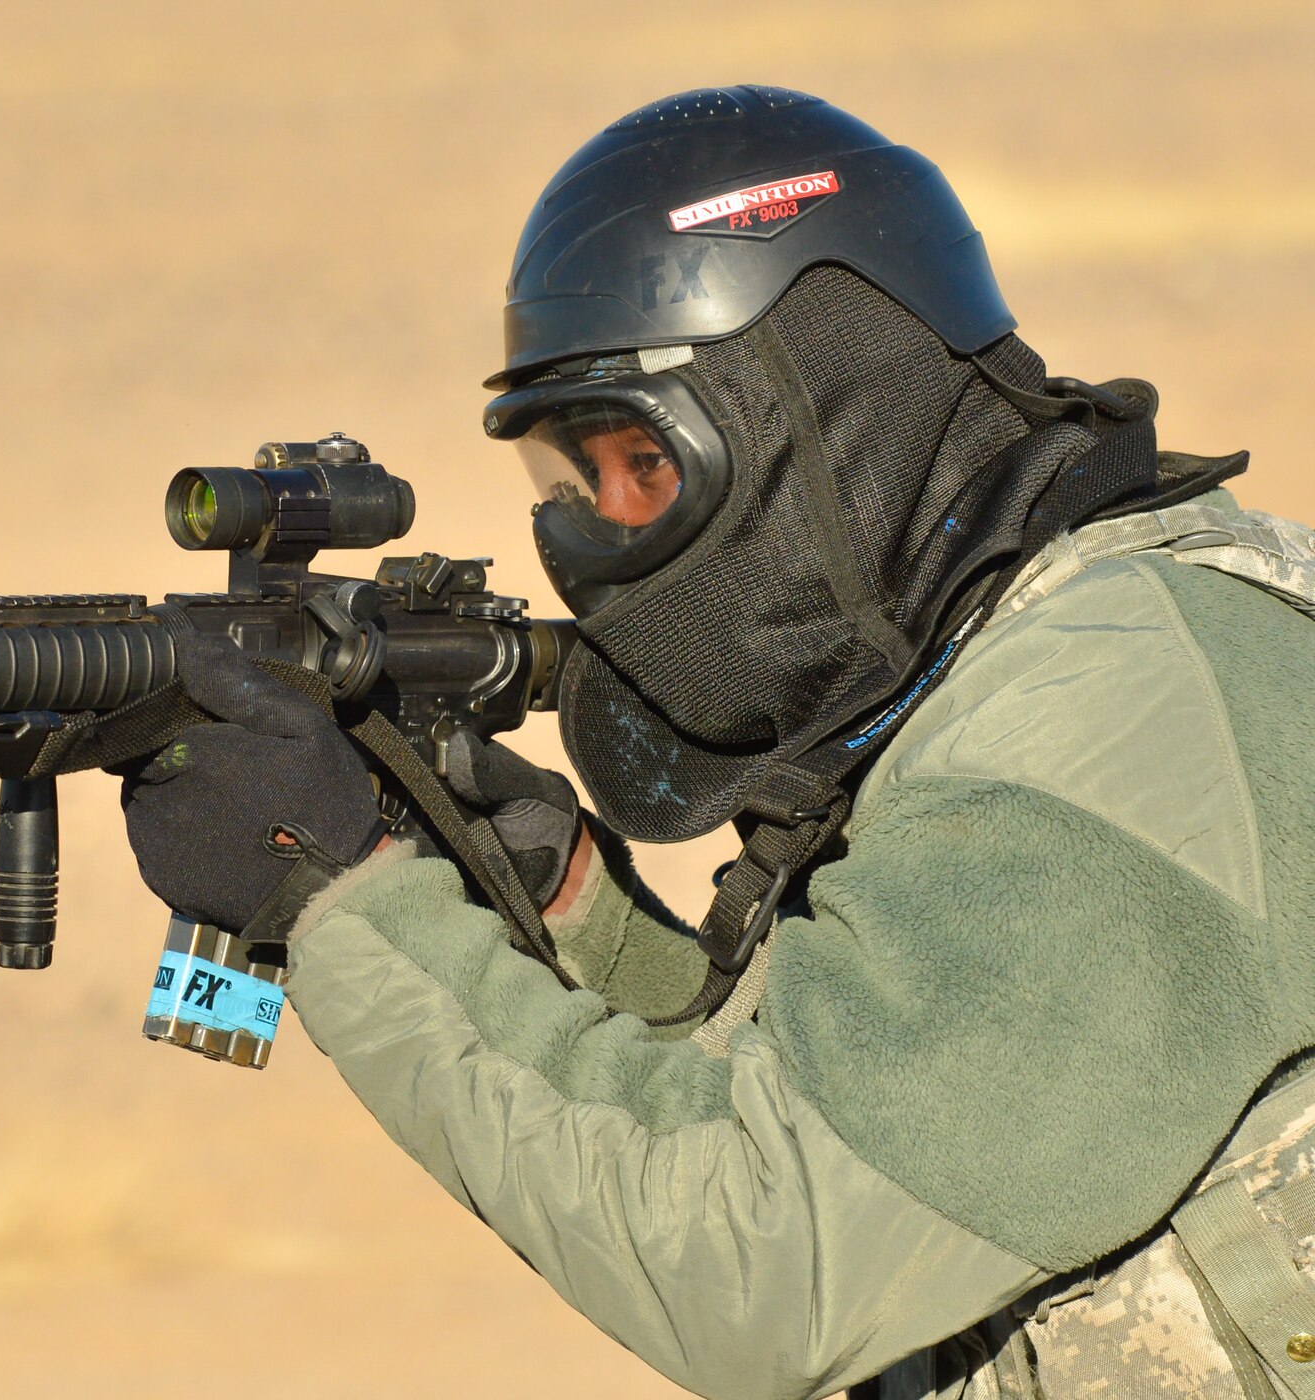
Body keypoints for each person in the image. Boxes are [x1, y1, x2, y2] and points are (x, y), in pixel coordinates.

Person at [114, 87, 1315, 1399]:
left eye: (645, 468)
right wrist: (563, 908)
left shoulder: (1104, 716)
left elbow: (763, 1269)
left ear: (822, 408)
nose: (601, 532)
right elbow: (835, 1106)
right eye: (573, 484)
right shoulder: (1027, 652)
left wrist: (337, 895)